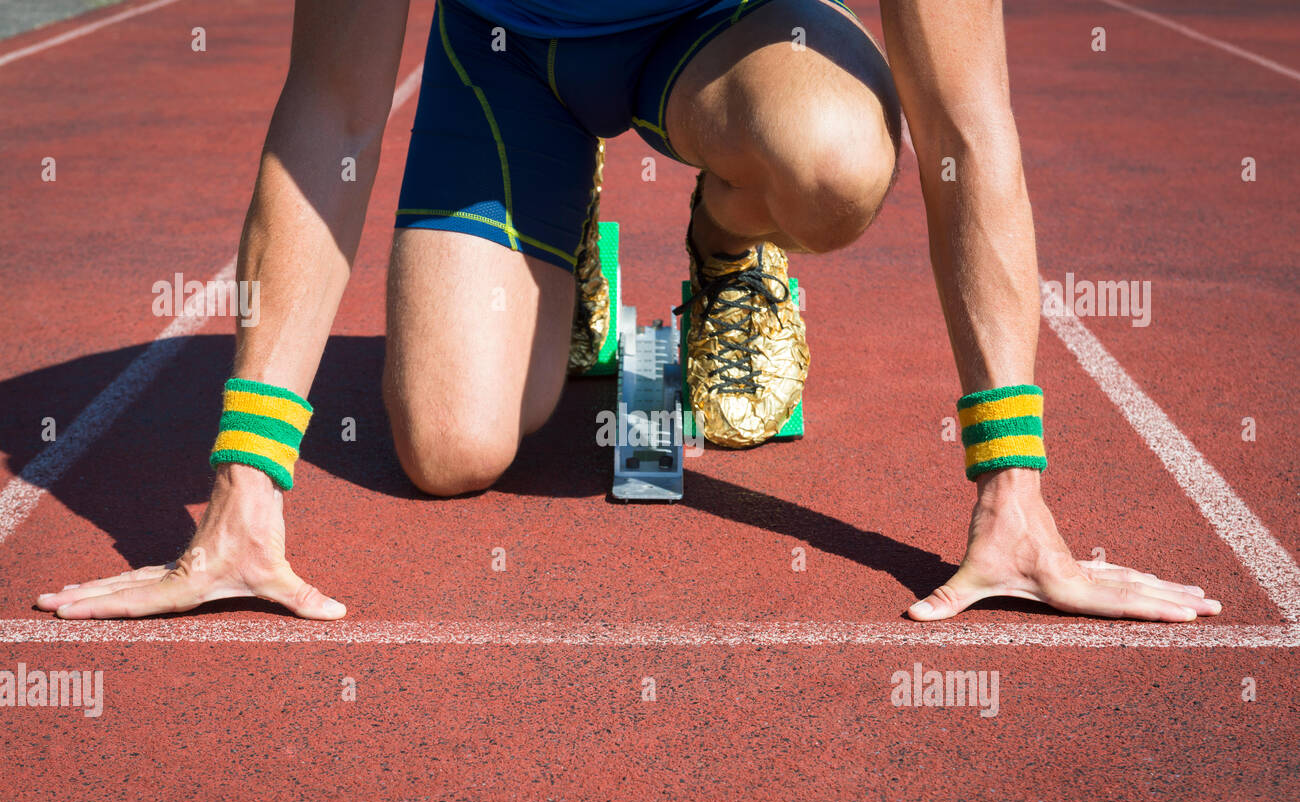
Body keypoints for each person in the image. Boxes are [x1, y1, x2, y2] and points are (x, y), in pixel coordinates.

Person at [37, 0, 1220, 623]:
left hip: (720, 42)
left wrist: (1011, 490)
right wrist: (244, 487)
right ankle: (565, 259)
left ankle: (728, 247)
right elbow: (333, 111)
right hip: (504, 66)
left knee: (836, 160)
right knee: (450, 450)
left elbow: (968, 129)